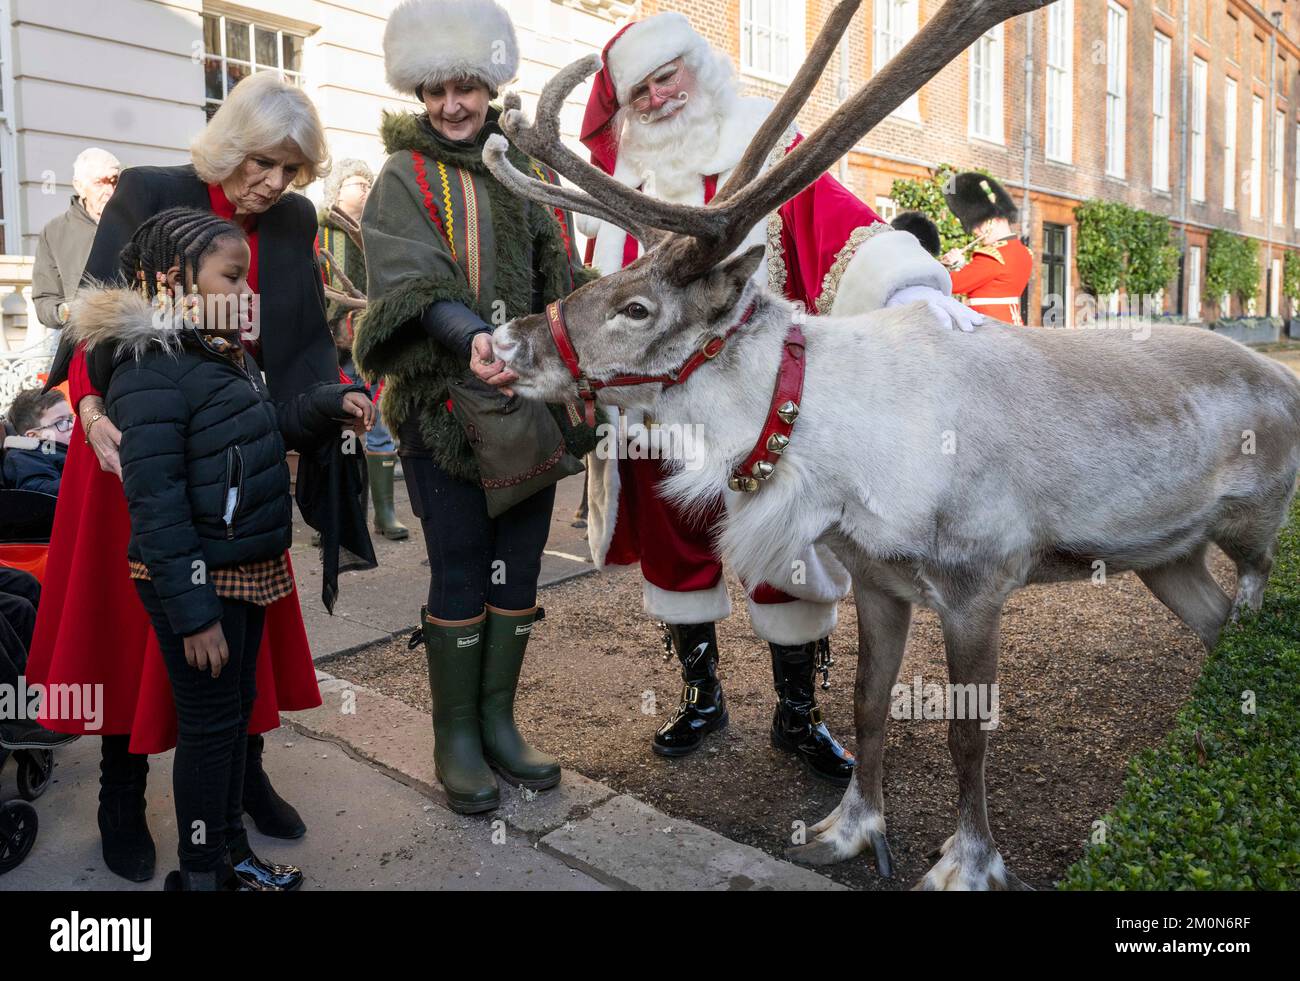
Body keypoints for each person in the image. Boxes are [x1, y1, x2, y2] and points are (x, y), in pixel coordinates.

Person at [577, 13, 978, 780]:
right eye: (641, 89)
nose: (658, 98)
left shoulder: (761, 154)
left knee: (789, 550)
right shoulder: (617, 189)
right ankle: (702, 696)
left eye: (668, 77)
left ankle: (799, 713)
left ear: (697, 70)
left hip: (766, 412)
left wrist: (906, 286)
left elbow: (840, 228)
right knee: (676, 550)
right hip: (658, 417)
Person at [29, 71, 373, 884]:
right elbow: (94, 319)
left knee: (242, 626)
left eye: (290, 170)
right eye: (261, 162)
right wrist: (87, 411)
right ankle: (121, 792)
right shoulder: (149, 190)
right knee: (135, 628)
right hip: (132, 439)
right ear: (227, 144)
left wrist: (328, 400)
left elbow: (300, 337)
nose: (273, 184)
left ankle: (238, 779)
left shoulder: (290, 220)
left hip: (236, 454)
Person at [355, 0, 596, 815]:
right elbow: (413, 281)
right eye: (436, 90)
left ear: (491, 85)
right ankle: (454, 736)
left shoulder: (526, 170)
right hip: (443, 414)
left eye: (466, 87)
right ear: (418, 93)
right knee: (460, 567)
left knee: (519, 569)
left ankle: (498, 722)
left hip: (528, 407)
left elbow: (561, 274)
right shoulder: (402, 177)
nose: (452, 104)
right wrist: (473, 342)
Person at [318, 159, 409, 541]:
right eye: (357, 182)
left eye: (368, 182)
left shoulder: (379, 232)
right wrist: (331, 325)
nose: (365, 188)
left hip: (372, 348)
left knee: (379, 428)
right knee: (337, 433)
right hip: (332, 353)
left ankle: (384, 513)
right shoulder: (318, 235)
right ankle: (338, 517)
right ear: (337, 190)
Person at [31, 148, 121, 348]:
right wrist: (65, 312)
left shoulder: (134, 223)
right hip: (81, 344)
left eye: (114, 181)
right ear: (79, 186)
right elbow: (44, 299)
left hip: (130, 341)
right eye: (99, 183)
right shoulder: (55, 232)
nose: (110, 191)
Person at [942, 173, 1034, 326]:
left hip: (989, 329)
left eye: (978, 225)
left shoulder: (994, 255)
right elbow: (987, 283)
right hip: (1012, 324)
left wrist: (948, 266)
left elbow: (955, 284)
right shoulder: (1024, 252)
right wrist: (960, 264)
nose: (975, 231)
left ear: (995, 219)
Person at [3, 389, 72, 494]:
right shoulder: (23, 458)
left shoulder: (55, 448)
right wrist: (86, 478)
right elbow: (41, 492)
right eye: (60, 422)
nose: (71, 426)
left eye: (70, 418)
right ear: (33, 435)